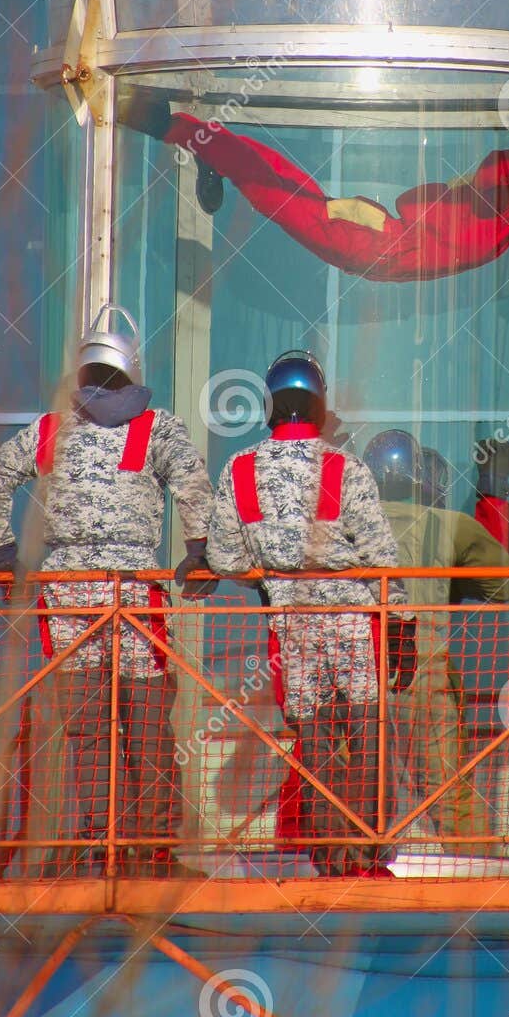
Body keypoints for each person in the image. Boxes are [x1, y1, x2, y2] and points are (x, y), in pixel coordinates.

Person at [0, 307, 215, 878]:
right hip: (134, 590)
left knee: (85, 727)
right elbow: (193, 484)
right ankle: (151, 849)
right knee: (149, 720)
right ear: (130, 369)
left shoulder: (52, 429)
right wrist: (199, 552)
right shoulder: (157, 427)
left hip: (67, 596)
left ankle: (100, 847)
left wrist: (5, 558)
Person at [205, 352, 416, 878]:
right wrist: (403, 629)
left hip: (292, 627)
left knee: (315, 739)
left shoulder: (241, 470)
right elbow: (380, 560)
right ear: (319, 407)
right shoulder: (344, 468)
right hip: (352, 622)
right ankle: (368, 853)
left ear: (270, 407)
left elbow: (226, 557)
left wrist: (272, 577)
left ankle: (328, 853)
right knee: (368, 737)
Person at [116, 85, 509, 283]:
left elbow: (501, 176)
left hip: (378, 243)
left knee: (273, 184)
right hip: (378, 245)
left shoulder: (499, 208)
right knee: (279, 186)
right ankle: (206, 147)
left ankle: (171, 128)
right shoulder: (501, 224)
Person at [364, 430, 509, 854]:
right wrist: (492, 493)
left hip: (354, 672)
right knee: (448, 793)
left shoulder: (342, 524)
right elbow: (503, 584)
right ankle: (479, 887)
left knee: (353, 791)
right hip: (424, 672)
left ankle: (346, 873)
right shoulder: (449, 526)